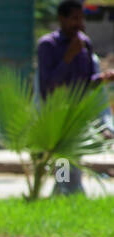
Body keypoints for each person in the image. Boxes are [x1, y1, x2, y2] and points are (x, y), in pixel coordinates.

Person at [36, 0, 114, 195]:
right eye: (74, 18)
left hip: (79, 111)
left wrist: (102, 79)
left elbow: (86, 81)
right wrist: (67, 58)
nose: (80, 24)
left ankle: (73, 190)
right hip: (57, 113)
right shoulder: (48, 45)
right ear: (62, 19)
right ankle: (63, 188)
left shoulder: (84, 43)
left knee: (75, 155)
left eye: (81, 18)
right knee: (62, 155)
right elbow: (48, 85)